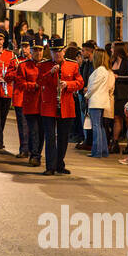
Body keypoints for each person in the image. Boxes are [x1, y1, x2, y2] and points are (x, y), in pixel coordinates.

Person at [37, 38, 84, 176]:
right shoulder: (44, 65)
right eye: (53, 52)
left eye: (59, 51)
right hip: (49, 106)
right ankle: (50, 166)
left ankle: (59, 164)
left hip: (66, 106)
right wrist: (50, 72)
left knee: (63, 138)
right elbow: (39, 81)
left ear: (63, 51)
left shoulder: (72, 65)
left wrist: (68, 85)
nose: (56, 54)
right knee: (50, 137)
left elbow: (80, 82)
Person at [85, 49, 114, 158]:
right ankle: (103, 150)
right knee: (100, 126)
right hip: (101, 100)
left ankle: (97, 151)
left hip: (96, 101)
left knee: (96, 126)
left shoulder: (99, 70)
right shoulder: (105, 70)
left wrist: (86, 95)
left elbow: (93, 86)